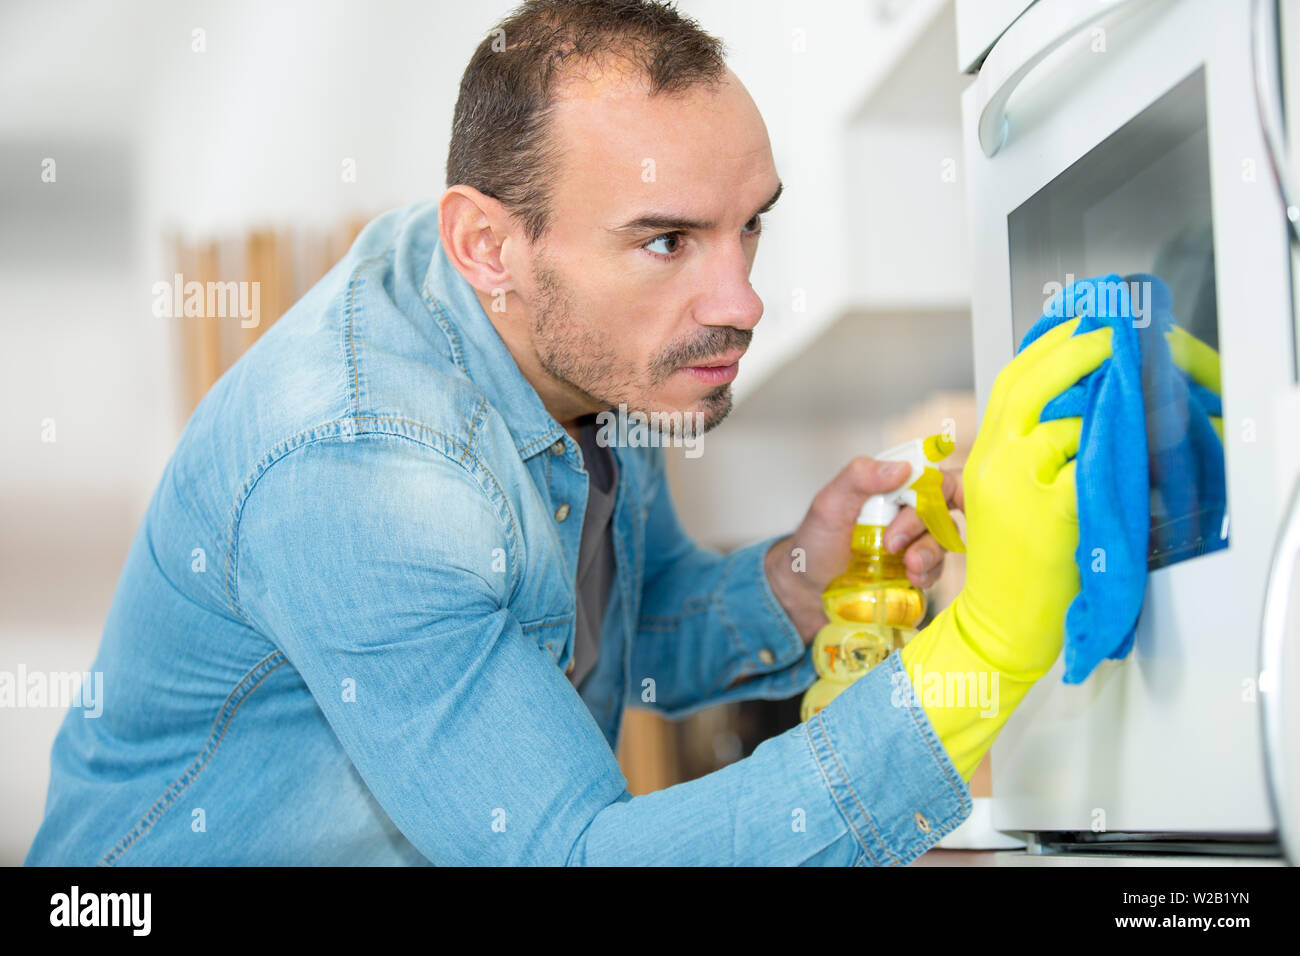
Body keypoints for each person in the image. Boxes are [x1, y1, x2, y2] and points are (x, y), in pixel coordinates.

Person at [25, 0, 1110, 866]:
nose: (740, 301)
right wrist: (986, 648)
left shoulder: (561, 336)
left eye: (749, 226)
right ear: (486, 243)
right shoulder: (361, 466)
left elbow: (611, 640)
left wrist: (788, 582)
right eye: (668, 240)